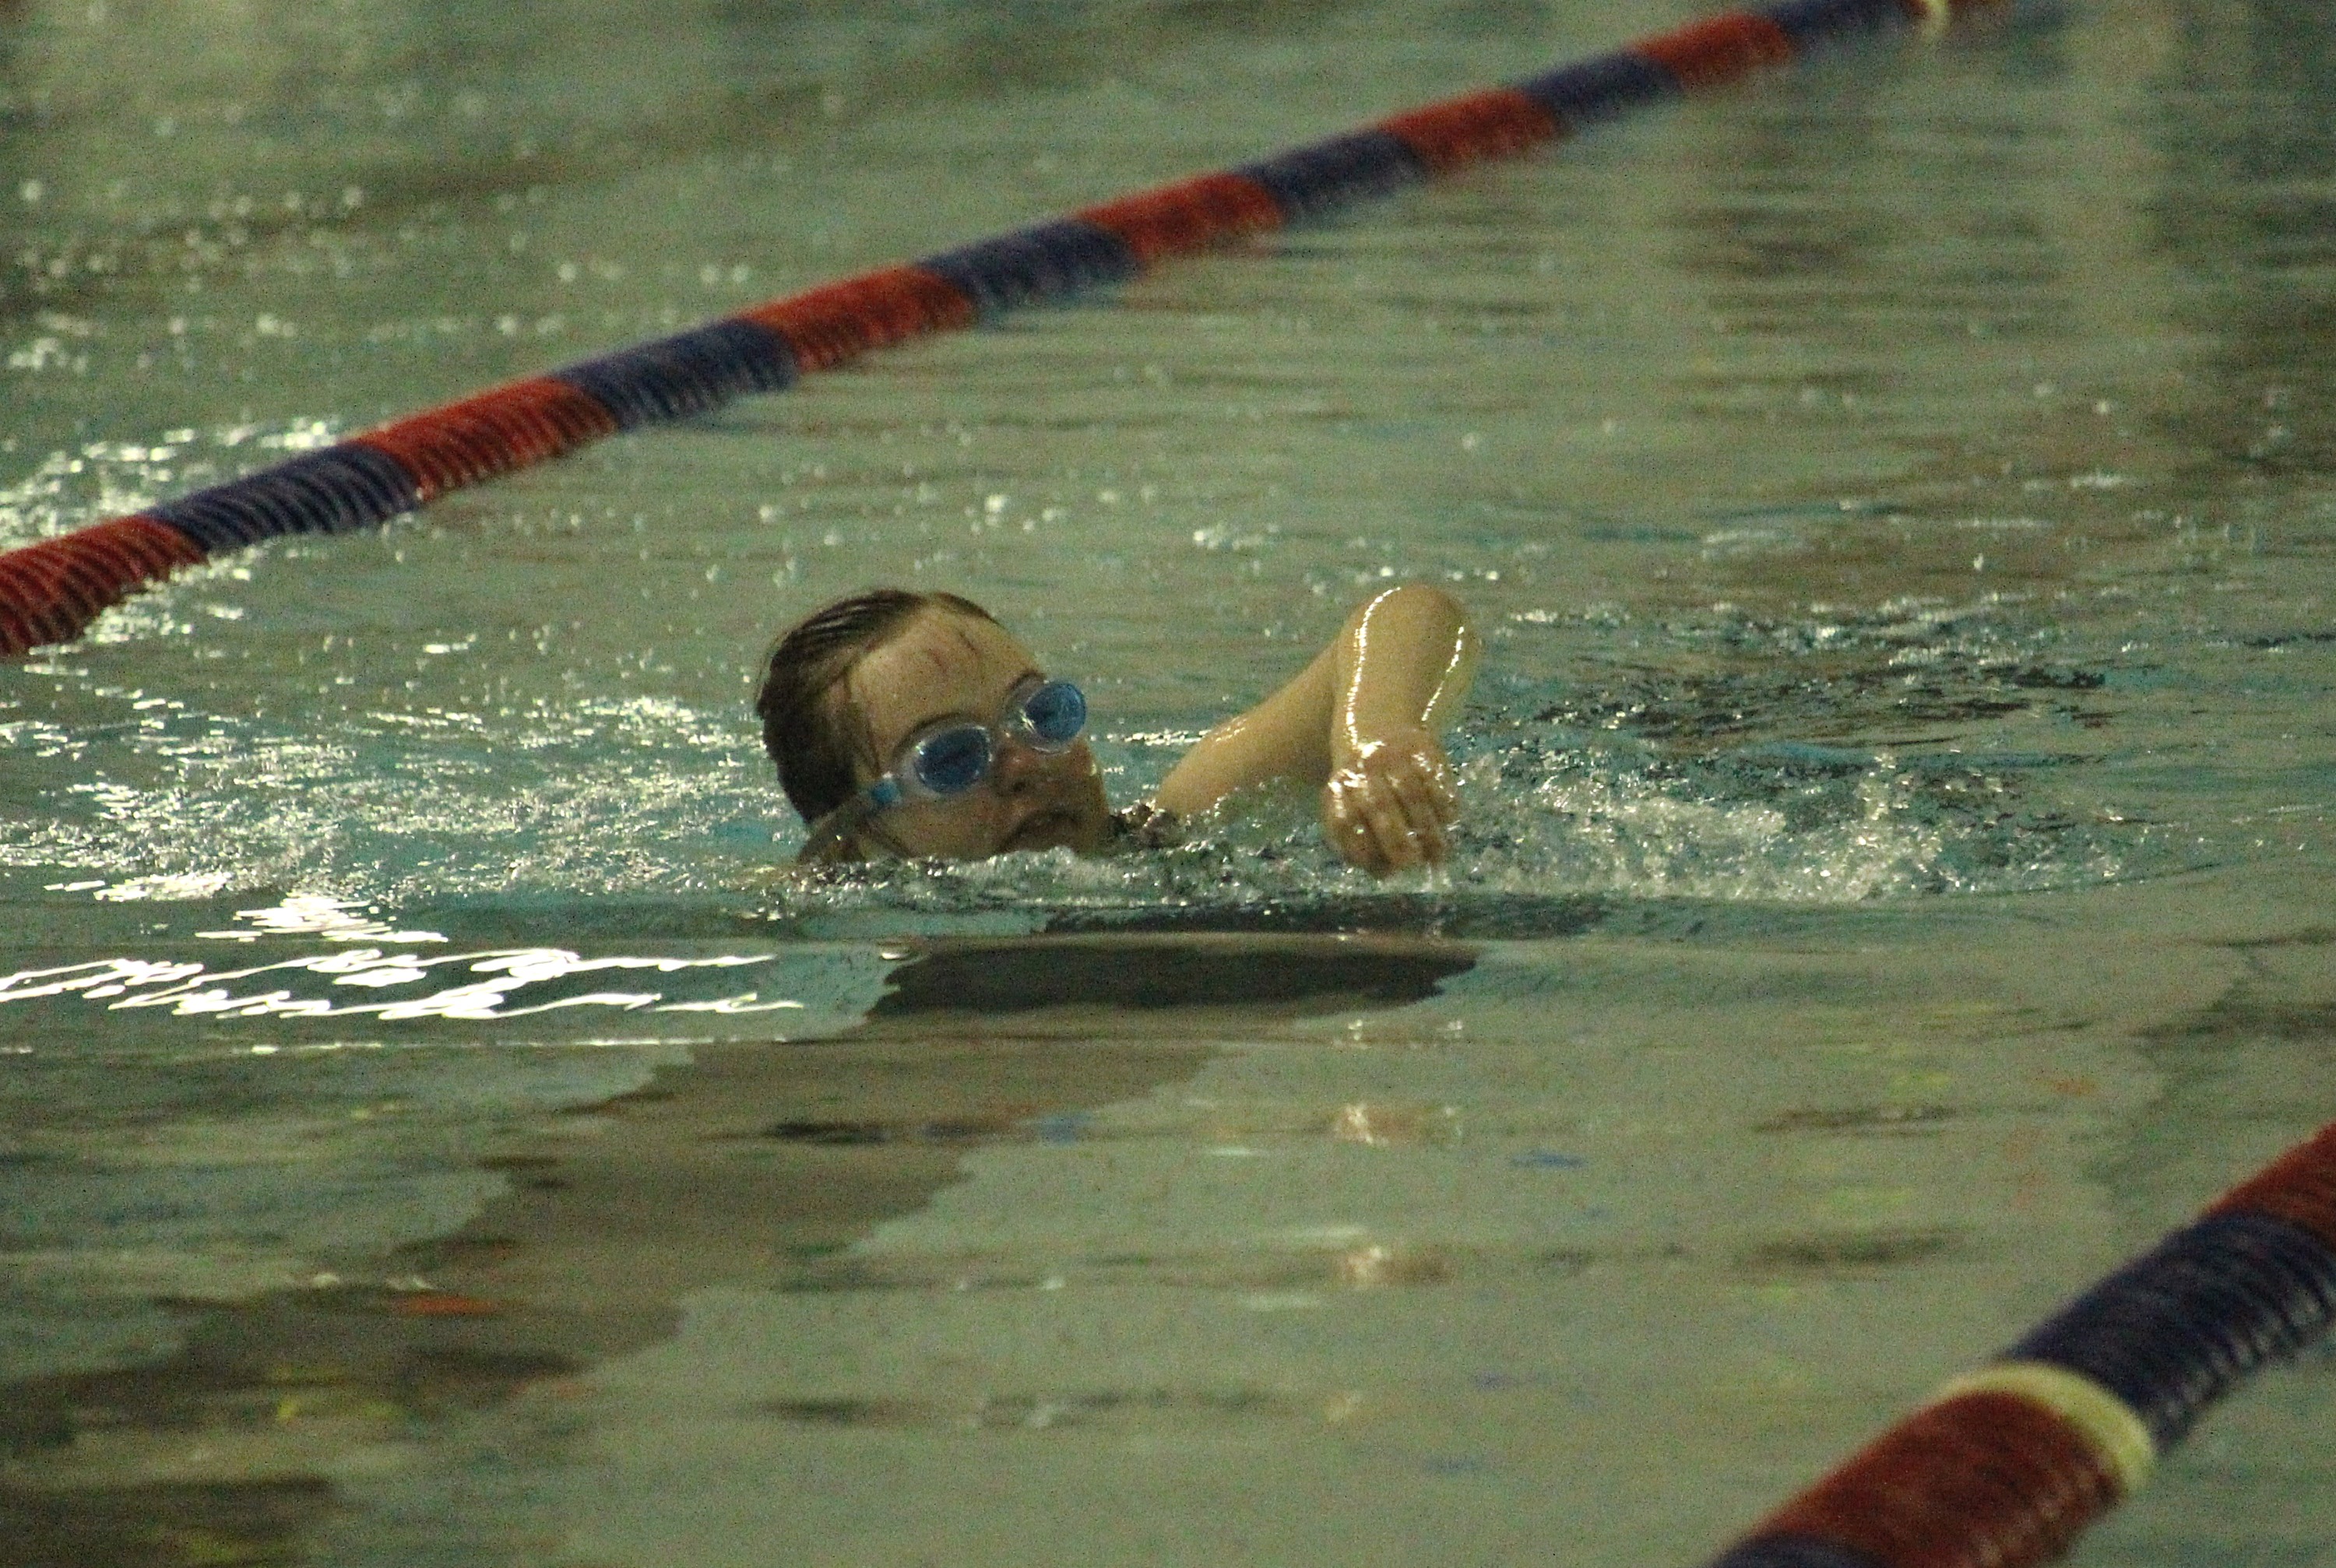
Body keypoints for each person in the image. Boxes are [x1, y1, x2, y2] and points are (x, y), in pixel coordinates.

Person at [754, 582, 1479, 876]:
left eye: (1040, 716)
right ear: (855, 841)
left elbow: (1408, 613)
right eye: (950, 759)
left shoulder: (1191, 824)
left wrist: (1373, 736)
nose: (1025, 764)